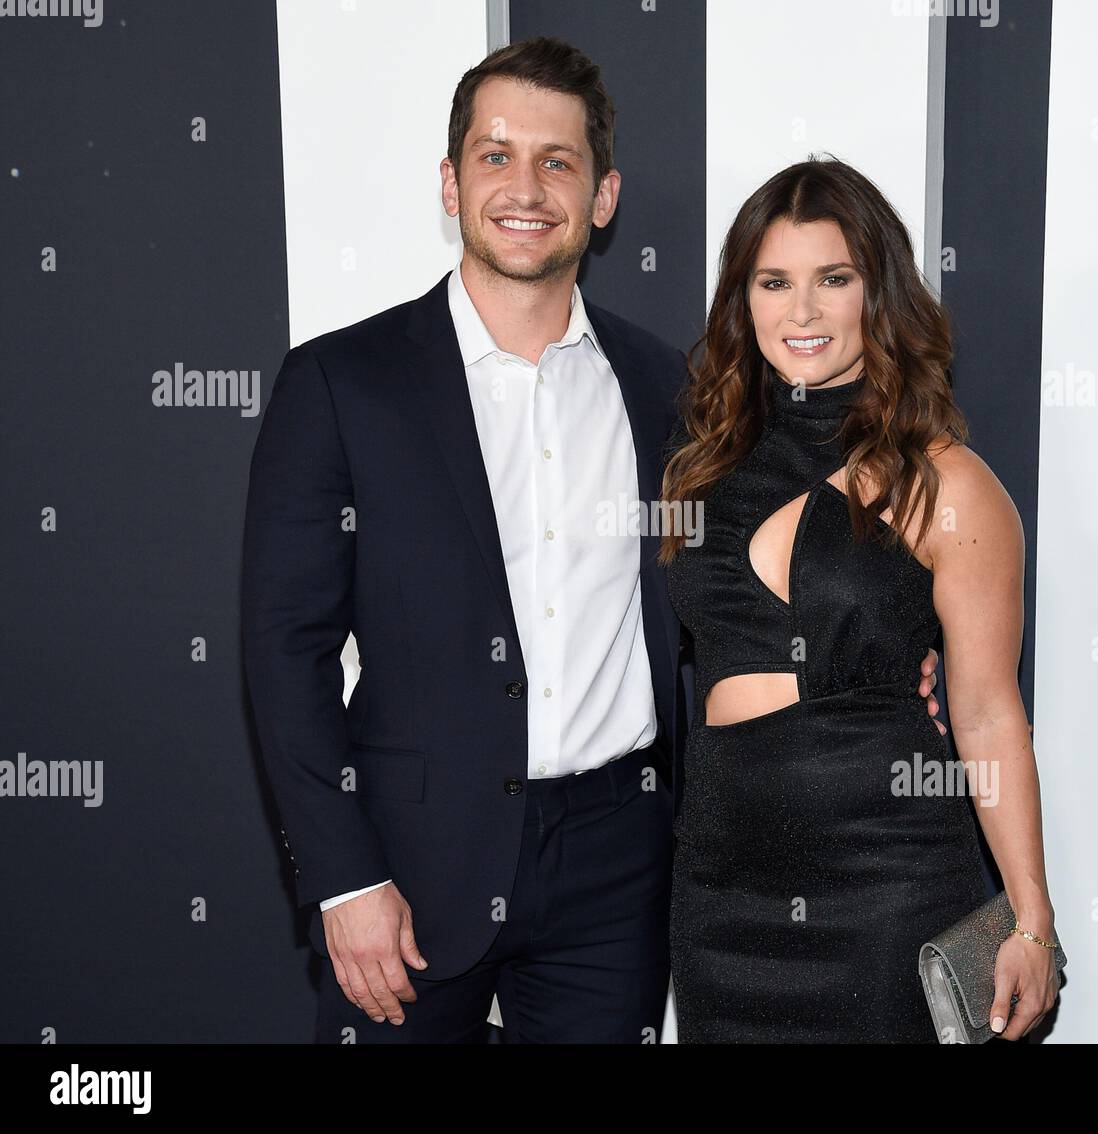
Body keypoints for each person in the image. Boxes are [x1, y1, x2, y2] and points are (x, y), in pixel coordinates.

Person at [241, 37, 943, 1043]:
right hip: (411, 857)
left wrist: (897, 662)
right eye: (495, 155)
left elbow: (761, 575)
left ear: (601, 196)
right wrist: (344, 875)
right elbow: (283, 653)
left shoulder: (674, 390)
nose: (525, 186)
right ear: (450, 183)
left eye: (558, 161)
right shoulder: (340, 387)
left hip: (620, 864)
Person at [659, 156, 1060, 1042]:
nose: (801, 311)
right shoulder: (700, 464)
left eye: (833, 279)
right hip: (721, 887)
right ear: (745, 299)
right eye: (775, 281)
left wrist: (1031, 917)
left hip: (888, 881)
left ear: (877, 295)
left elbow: (990, 711)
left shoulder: (947, 486)